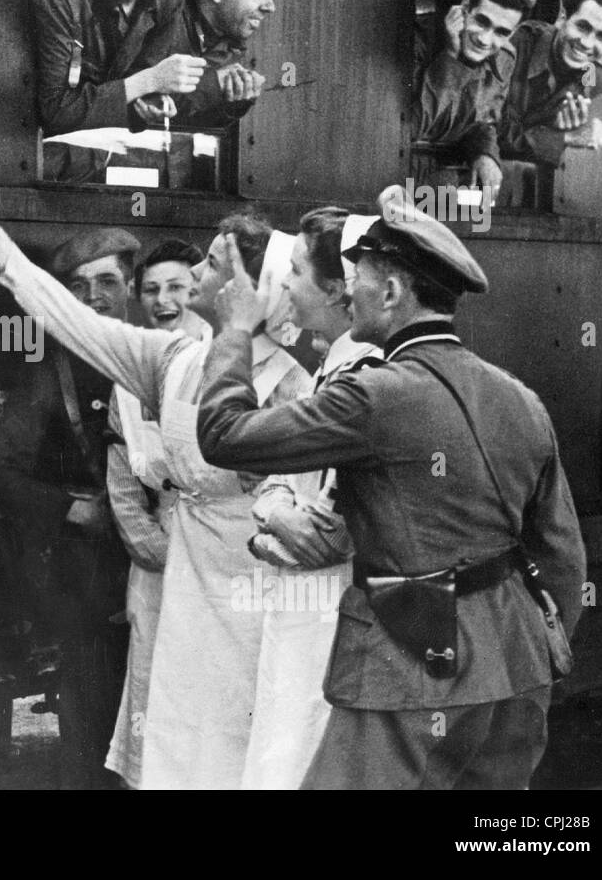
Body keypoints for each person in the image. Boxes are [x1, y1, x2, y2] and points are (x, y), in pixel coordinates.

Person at [195, 187, 588, 789]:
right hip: (517, 661)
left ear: (393, 291)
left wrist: (236, 331)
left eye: (359, 277)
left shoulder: (374, 394)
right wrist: (533, 647)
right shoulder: (519, 397)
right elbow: (562, 555)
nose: (346, 290)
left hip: (411, 657)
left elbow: (223, 434)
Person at [0, 194, 309, 788]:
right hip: (182, 575)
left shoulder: (289, 381)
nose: (193, 277)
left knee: (243, 723)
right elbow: (71, 326)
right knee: (177, 727)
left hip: (254, 579)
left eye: (209, 268)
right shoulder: (173, 358)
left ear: (249, 291)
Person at [0, 227, 140, 790]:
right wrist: (74, 512)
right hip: (95, 590)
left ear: (132, 287)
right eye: (77, 286)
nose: (92, 298)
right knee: (92, 738)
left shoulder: (164, 358)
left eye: (107, 282)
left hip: (173, 581)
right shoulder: (50, 375)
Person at [241, 207, 381, 788]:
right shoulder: (335, 364)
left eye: (296, 271)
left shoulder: (360, 372)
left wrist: (267, 514)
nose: (285, 284)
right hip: (304, 609)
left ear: (337, 291)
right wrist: (276, 508)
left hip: (327, 611)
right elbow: (280, 484)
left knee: (300, 754)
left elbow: (319, 538)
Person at [104, 240, 208, 788]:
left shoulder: (225, 359)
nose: (163, 300)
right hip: (159, 555)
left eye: (176, 287)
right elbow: (122, 481)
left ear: (198, 290)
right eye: (150, 289)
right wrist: (152, 549)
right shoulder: (131, 366)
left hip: (221, 552)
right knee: (149, 684)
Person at [32, 0, 205, 180]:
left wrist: (149, 105)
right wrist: (148, 81)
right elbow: (55, 110)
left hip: (102, 164)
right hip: (41, 164)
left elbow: (138, 95)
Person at [413, 0, 537, 197]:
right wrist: (451, 57)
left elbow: (483, 121)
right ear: (464, 8)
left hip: (444, 180)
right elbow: (412, 126)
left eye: (502, 32)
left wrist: (485, 154)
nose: (485, 40)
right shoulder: (417, 38)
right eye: (482, 22)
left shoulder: (504, 57)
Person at [499, 0, 602, 165]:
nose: (586, 43)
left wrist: (555, 128)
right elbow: (492, 132)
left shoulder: (596, 76)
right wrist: (566, 137)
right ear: (562, 18)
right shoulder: (519, 45)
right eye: (582, 27)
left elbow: (531, 129)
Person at [171, 0, 282, 128]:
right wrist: (214, 85)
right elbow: (142, 109)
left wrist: (231, 105)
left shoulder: (223, 40)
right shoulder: (165, 24)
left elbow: (184, 129)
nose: (270, 6)